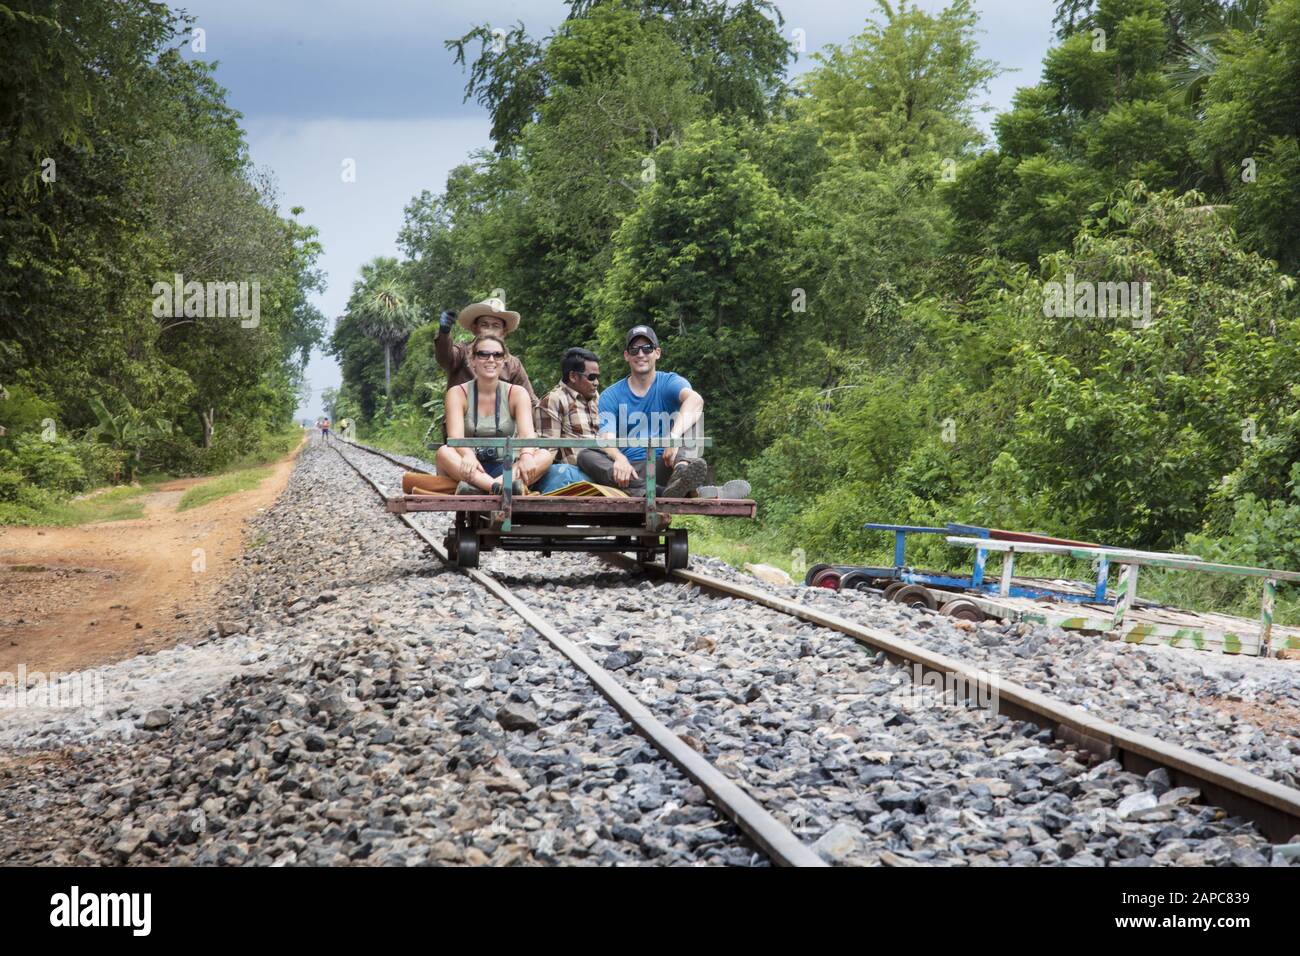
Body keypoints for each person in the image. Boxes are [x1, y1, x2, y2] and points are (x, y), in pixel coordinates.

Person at [581, 325, 709, 498]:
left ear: (657, 353)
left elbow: (696, 400)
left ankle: (682, 472)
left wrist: (673, 438)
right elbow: (606, 437)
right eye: (634, 350)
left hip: (666, 462)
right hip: (631, 470)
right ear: (627, 356)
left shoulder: (670, 382)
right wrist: (619, 459)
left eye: (647, 349)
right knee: (585, 455)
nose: (641, 354)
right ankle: (671, 492)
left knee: (694, 416)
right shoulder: (611, 395)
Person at [435, 334, 550, 495]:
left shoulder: (517, 393)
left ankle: (490, 486)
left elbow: (527, 434)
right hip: (471, 465)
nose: (491, 359)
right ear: (473, 360)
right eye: (483, 354)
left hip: (506, 464)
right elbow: (455, 437)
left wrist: (526, 455)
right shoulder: (457, 393)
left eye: (497, 355)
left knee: (544, 455)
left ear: (504, 361)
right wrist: (468, 455)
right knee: (444, 452)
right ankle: (497, 488)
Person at [435, 298, 539, 428]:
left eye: (496, 326)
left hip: (503, 432)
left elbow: (531, 402)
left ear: (504, 332)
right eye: (484, 325)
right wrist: (444, 333)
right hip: (463, 430)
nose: (490, 330)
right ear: (475, 328)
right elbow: (445, 357)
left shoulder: (513, 364)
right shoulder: (462, 352)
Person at [536, 347, 603, 493]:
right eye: (591, 377)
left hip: (603, 465)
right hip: (577, 471)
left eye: (598, 377)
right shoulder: (554, 400)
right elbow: (548, 450)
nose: (596, 382)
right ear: (573, 376)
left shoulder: (596, 397)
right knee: (563, 473)